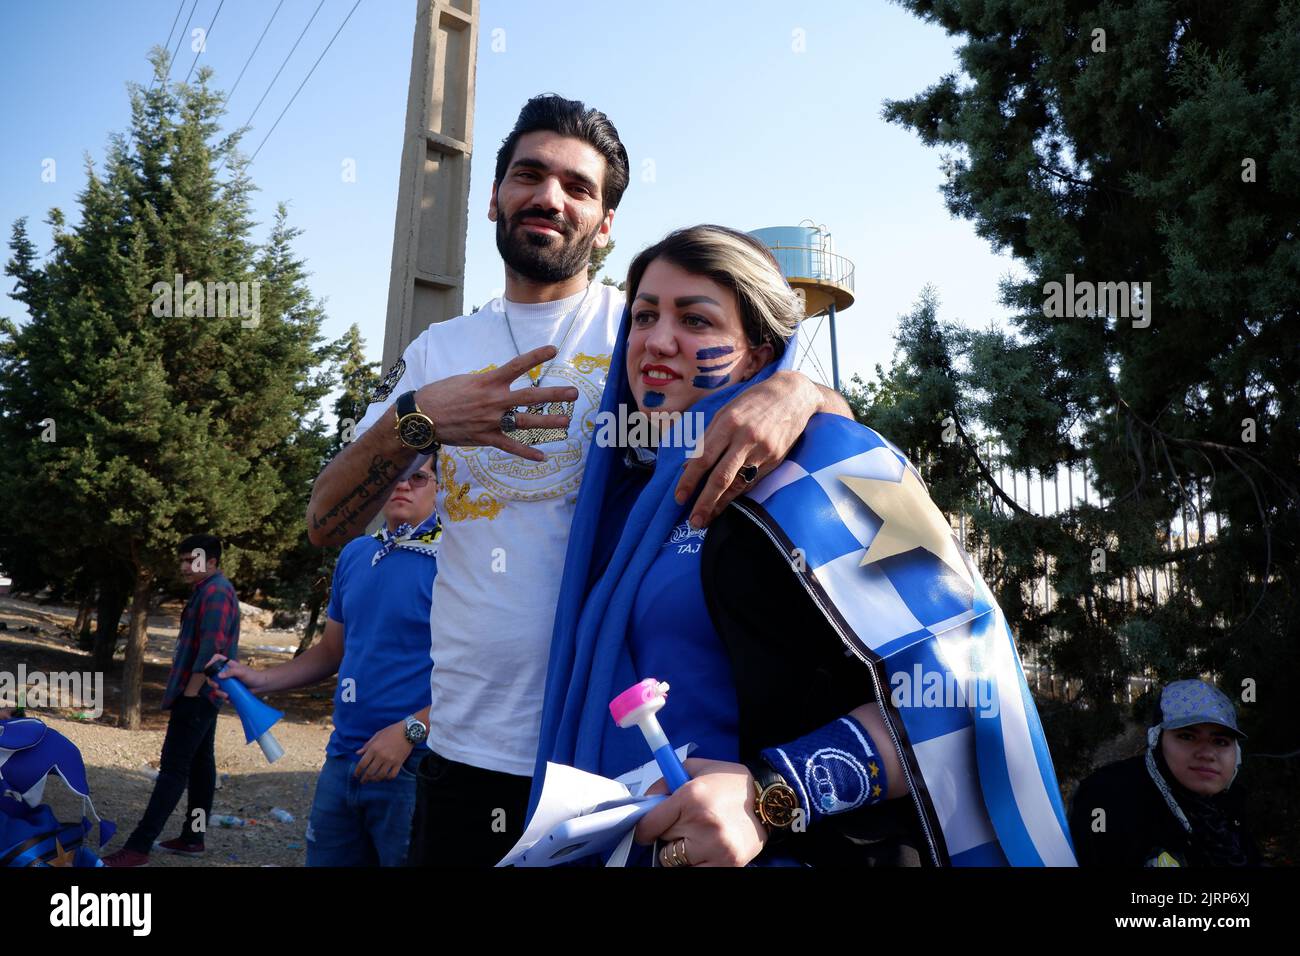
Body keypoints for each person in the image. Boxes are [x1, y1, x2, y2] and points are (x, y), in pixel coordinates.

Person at [305, 95, 852, 866]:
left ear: (605, 225)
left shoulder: (648, 330)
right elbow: (326, 523)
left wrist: (797, 390)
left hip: (608, 752)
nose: (549, 196)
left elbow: (827, 423)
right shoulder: (437, 352)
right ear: (494, 197)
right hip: (463, 750)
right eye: (529, 174)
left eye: (578, 187)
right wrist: (419, 419)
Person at [533, 225, 1077, 867]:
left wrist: (776, 792)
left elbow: (962, 685)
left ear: (761, 355)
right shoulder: (629, 505)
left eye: (695, 319)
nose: (656, 339)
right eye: (644, 314)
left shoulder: (837, 463)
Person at [207, 467, 441, 866]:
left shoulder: (456, 563)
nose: (402, 485)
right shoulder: (355, 554)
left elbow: (482, 675)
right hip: (343, 755)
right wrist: (259, 679)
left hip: (413, 763)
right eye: (394, 476)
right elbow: (332, 651)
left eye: (417, 478)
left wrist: (410, 731)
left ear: (441, 487)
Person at [103, 533, 240, 867]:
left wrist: (192, 692)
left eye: (191, 559)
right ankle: (193, 837)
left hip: (198, 694)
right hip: (202, 694)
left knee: (173, 770)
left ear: (212, 562)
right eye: (181, 560)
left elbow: (213, 649)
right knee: (201, 766)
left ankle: (138, 847)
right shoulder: (206, 590)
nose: (184, 566)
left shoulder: (217, 592)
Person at [1070, 679, 1260, 866]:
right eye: (1187, 736)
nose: (1207, 754)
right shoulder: (1108, 798)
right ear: (1157, 741)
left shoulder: (1232, 805)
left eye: (1220, 741)